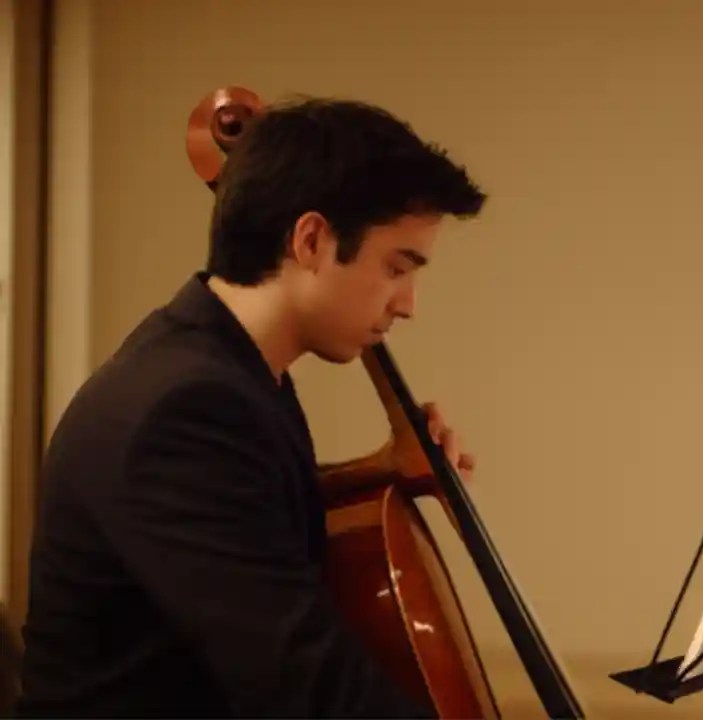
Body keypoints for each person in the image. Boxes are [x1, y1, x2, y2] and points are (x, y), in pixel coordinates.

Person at [16, 96, 487, 717]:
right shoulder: (188, 406)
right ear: (312, 240)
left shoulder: (222, 374)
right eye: (397, 267)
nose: (408, 304)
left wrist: (379, 472)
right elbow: (307, 682)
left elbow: (241, 513)